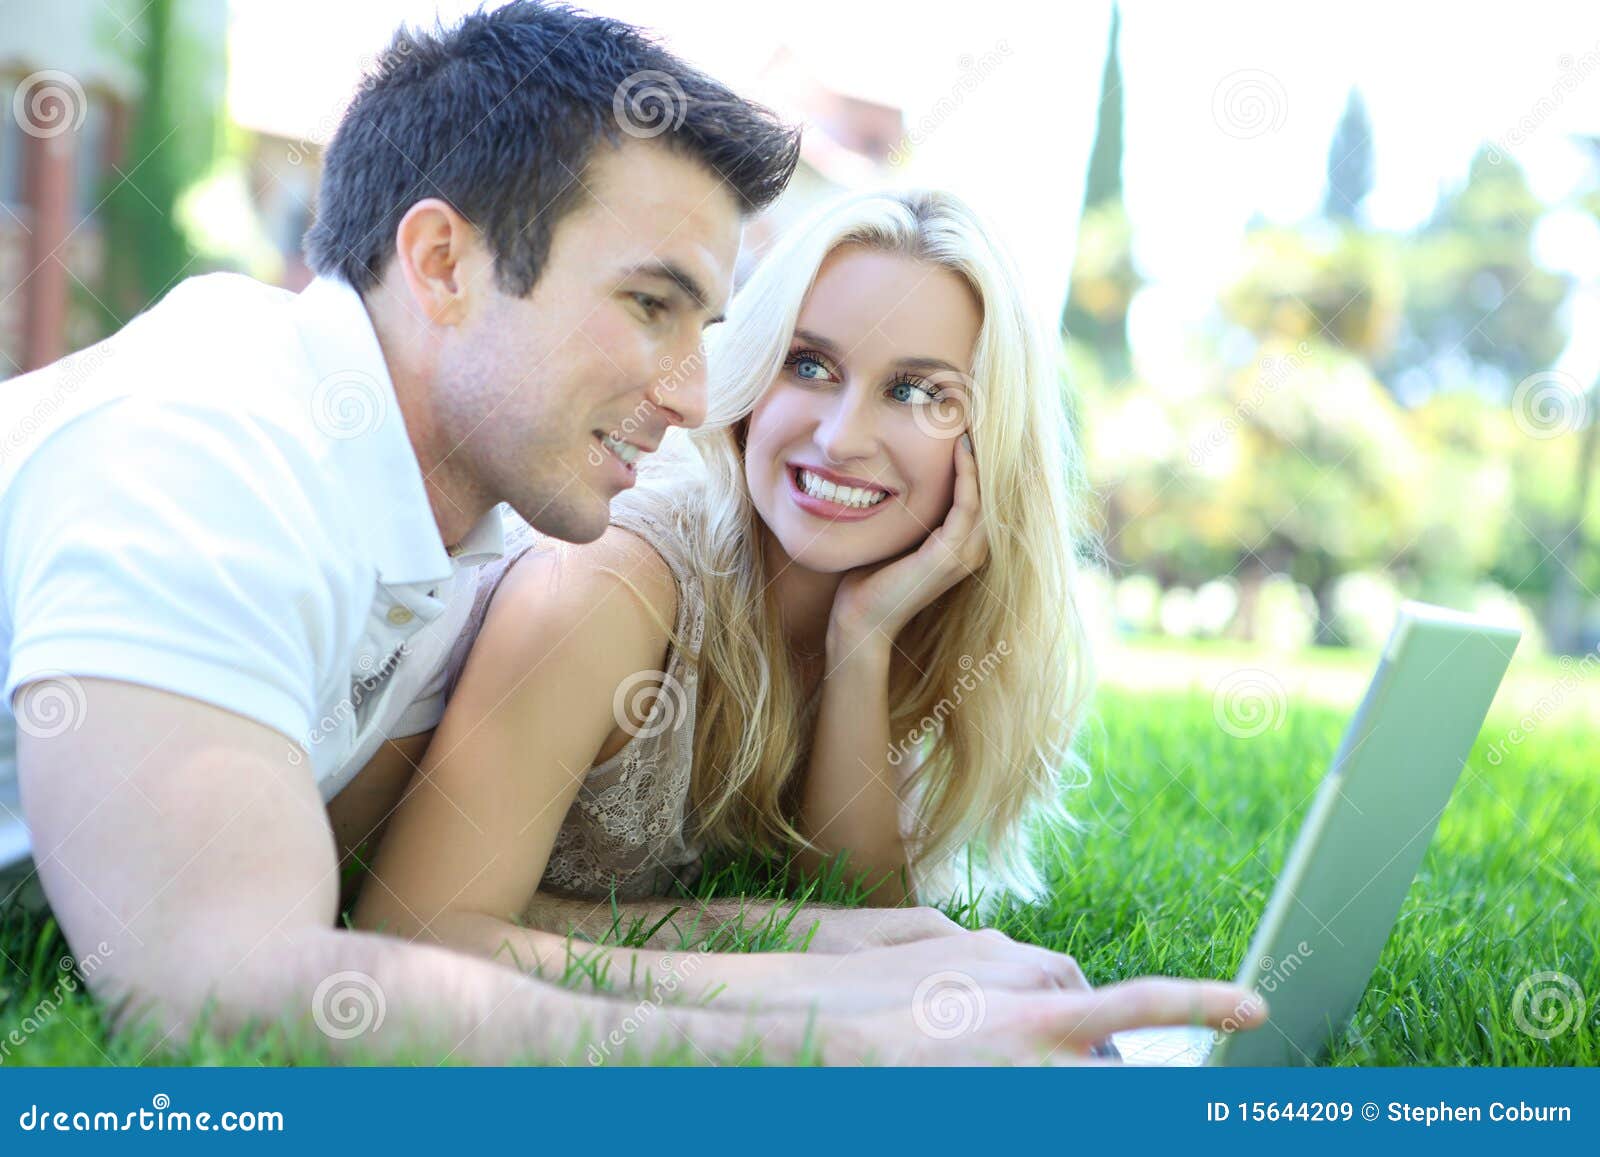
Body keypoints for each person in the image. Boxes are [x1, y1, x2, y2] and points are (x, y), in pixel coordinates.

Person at [0, 3, 1263, 1063]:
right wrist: (849, 1043)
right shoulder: (202, 450)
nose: (694, 394)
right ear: (442, 263)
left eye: (707, 326)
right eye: (650, 304)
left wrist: (849, 951)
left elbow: (444, 904)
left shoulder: (477, 517)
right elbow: (234, 985)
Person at [354, 188, 1263, 1057]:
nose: (838, 437)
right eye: (811, 365)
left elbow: (862, 907)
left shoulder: (888, 608)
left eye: (917, 392)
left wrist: (861, 647)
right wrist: (800, 957)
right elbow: (419, 933)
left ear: (989, 439)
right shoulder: (611, 583)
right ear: (751, 379)